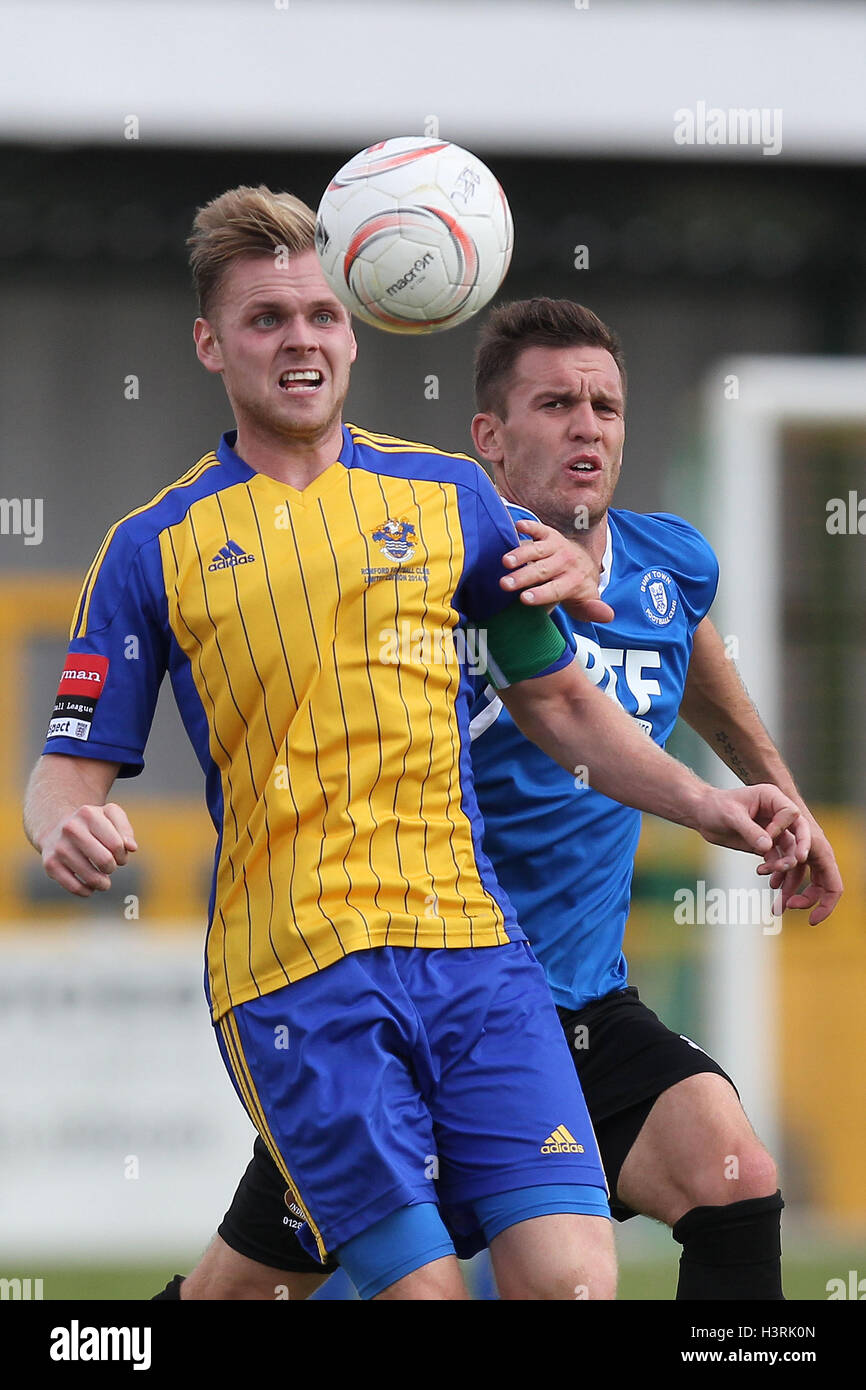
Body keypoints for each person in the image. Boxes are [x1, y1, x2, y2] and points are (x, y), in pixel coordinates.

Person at [23, 190, 810, 1302]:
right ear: (209, 344)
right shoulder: (150, 548)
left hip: (480, 963)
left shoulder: (450, 500)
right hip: (300, 976)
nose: (299, 339)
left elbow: (565, 706)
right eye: (264, 320)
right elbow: (65, 767)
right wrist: (63, 822)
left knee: (577, 1280)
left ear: (353, 329)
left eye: (319, 315)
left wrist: (711, 802)